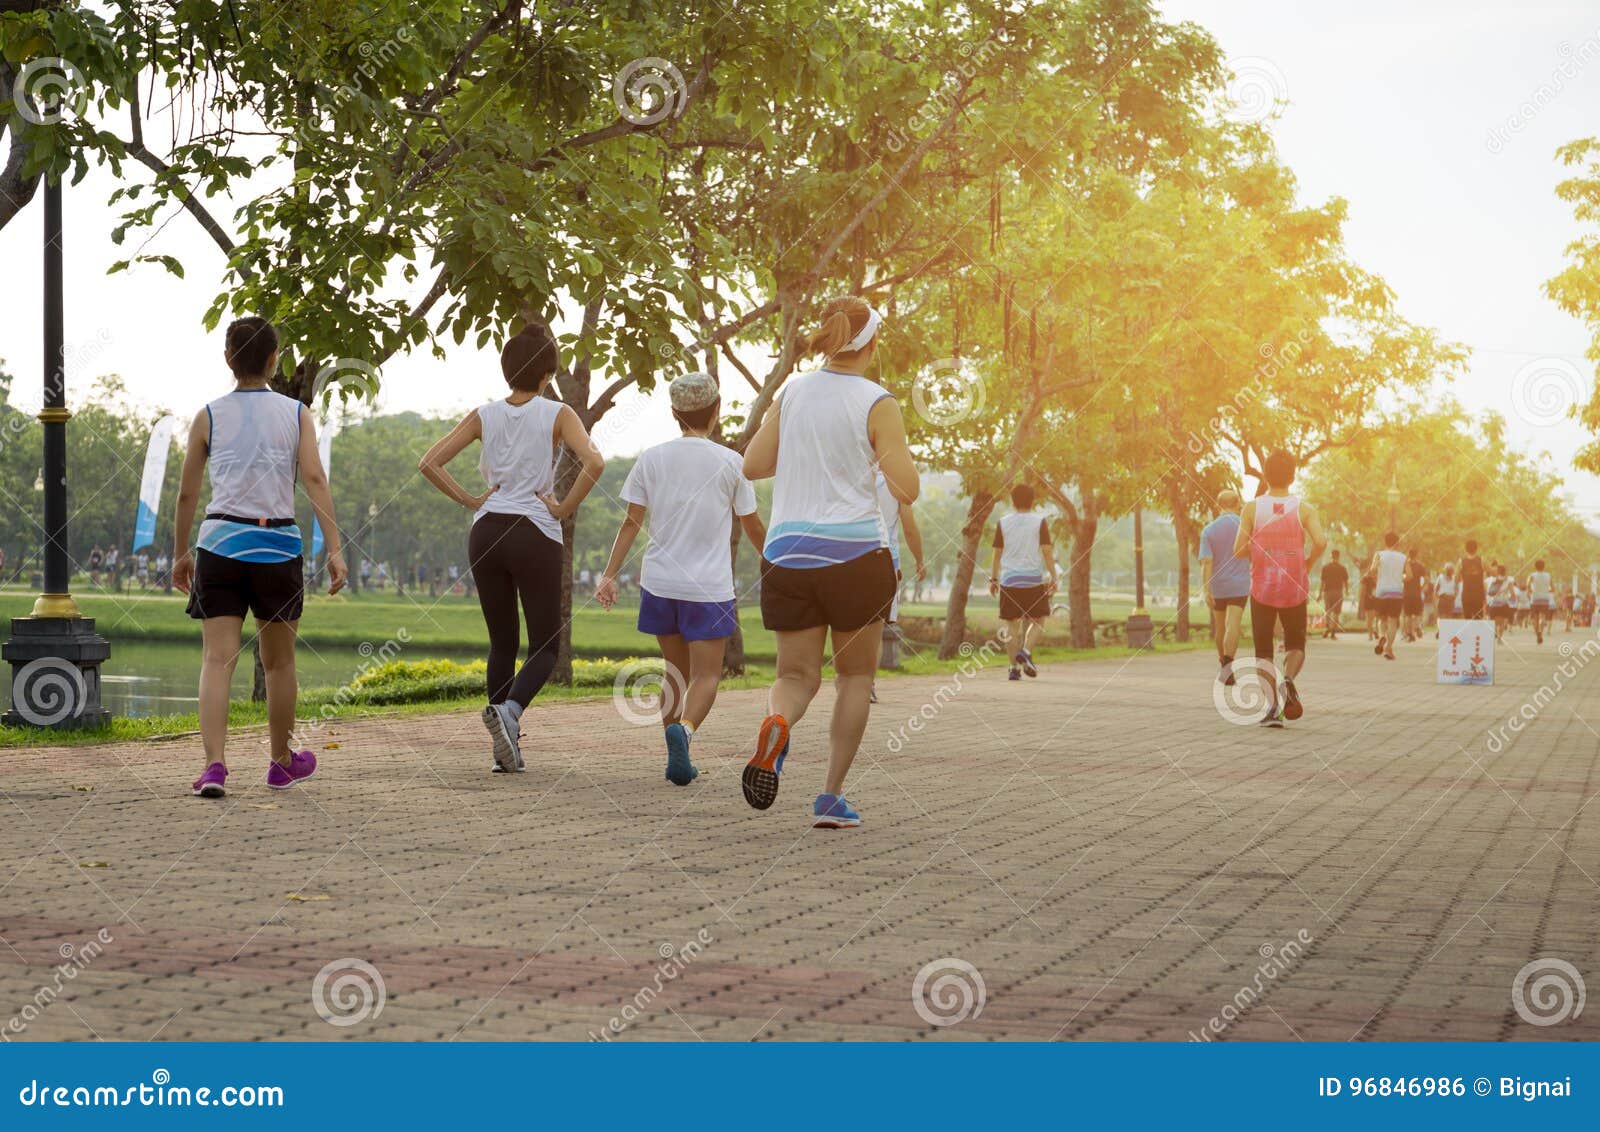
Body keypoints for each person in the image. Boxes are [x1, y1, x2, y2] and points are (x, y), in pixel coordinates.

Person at [741, 297, 918, 828]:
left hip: (787, 553)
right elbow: (906, 488)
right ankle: (829, 797)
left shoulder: (793, 391)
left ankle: (778, 721)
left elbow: (753, 464)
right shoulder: (878, 401)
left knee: (795, 675)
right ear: (872, 344)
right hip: (856, 556)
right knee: (854, 677)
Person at [418, 321, 604, 774]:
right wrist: (563, 509)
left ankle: (505, 751)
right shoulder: (558, 413)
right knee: (546, 645)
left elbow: (429, 462)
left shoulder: (484, 414)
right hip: (534, 530)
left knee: (502, 644)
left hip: (486, 530)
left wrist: (470, 500)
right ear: (547, 375)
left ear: (507, 371)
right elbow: (594, 461)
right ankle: (511, 712)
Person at [173, 316, 347, 798]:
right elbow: (315, 479)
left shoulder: (207, 416)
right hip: (278, 548)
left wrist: (181, 552)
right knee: (279, 664)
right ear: (275, 361)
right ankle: (281, 762)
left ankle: (214, 767)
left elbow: (187, 493)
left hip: (220, 545)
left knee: (217, 660)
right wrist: (335, 548)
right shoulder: (297, 414)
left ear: (228, 359)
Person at [595, 372, 766, 785]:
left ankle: (679, 760)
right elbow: (752, 524)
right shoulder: (732, 462)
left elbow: (631, 522)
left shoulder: (651, 458)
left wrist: (609, 574)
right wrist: (776, 562)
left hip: (660, 583)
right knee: (707, 675)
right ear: (717, 410)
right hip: (708, 588)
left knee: (675, 673)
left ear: (674, 413)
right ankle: (685, 733)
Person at [1232, 450, 1328, 727]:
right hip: (1294, 587)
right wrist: (1307, 563)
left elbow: (1238, 549)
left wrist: (1259, 553)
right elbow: (1321, 542)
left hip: (1262, 587)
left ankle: (1273, 709)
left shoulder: (1251, 509)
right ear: (1293, 476)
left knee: (1263, 650)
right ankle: (1288, 679)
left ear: (1265, 475)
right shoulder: (1304, 509)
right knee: (1296, 644)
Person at [987, 483, 1056, 681]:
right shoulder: (1039, 522)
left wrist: (994, 578)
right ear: (1032, 501)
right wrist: (1053, 576)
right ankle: (1025, 651)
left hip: (1009, 580)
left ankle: (1013, 669)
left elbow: (997, 554)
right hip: (1033, 579)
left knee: (1012, 627)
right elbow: (1046, 551)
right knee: (1038, 620)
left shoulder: (1003, 523)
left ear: (1012, 501)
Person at [871, 466, 927, 702]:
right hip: (885, 559)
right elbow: (910, 529)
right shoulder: (897, 482)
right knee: (875, 629)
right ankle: (867, 684)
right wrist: (919, 560)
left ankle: (848, 682)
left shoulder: (854, 473)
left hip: (849, 555)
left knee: (849, 628)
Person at [1199, 489, 1250, 680]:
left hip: (1218, 585)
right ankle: (1229, 665)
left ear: (1217, 505)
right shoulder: (1245, 527)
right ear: (1237, 504)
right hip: (1240, 584)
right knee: (1233, 624)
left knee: (1220, 627)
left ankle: (1224, 666)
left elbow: (1206, 562)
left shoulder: (1209, 530)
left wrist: (1206, 590)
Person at [1368, 532, 1407, 660]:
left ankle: (1381, 636)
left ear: (1385, 542)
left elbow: (1372, 570)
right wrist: (1400, 579)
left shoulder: (1379, 554)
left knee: (1381, 618)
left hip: (1382, 590)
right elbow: (1410, 575)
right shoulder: (1403, 557)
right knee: (1393, 621)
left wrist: (1377, 579)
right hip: (1396, 591)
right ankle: (1389, 648)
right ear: (1398, 543)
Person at [1317, 548, 1349, 640]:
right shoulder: (1342, 568)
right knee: (1336, 613)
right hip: (1338, 592)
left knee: (1328, 611)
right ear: (1339, 557)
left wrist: (1320, 594)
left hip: (1328, 592)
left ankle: (1327, 628)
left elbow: (1322, 582)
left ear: (1331, 556)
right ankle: (1333, 632)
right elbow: (1346, 582)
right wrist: (1347, 591)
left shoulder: (1325, 568)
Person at [1457, 539, 1487, 620]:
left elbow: (1456, 579)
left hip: (1466, 595)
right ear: (1476, 549)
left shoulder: (1461, 562)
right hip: (1479, 595)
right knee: (1478, 619)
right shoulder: (1481, 560)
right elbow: (1491, 572)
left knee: (1467, 619)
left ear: (1465, 549)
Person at [1527, 559, 1554, 643]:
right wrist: (1547, 591)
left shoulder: (1532, 575)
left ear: (1535, 567)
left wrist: (1529, 592)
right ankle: (1540, 632)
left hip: (1535, 599)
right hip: (1545, 599)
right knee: (1543, 617)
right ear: (1544, 566)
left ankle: (1537, 633)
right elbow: (1553, 588)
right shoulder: (1548, 575)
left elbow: (1528, 585)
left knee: (1535, 617)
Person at [1402, 547, 1425, 642]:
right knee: (1417, 614)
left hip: (1407, 593)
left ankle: (1410, 634)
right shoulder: (1420, 566)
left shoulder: (1405, 565)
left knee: (1407, 615)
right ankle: (1417, 626)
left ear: (1409, 554)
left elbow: (1403, 577)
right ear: (1416, 555)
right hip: (1417, 593)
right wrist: (1422, 588)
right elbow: (1427, 579)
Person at [1486, 563, 1513, 641]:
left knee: (1493, 621)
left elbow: (1487, 592)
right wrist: (1509, 598)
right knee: (1501, 622)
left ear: (1497, 571)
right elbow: (1512, 594)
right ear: (1505, 572)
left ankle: (1494, 633)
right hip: (1503, 604)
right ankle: (1499, 638)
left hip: (1493, 604)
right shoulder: (1508, 581)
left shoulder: (1490, 580)